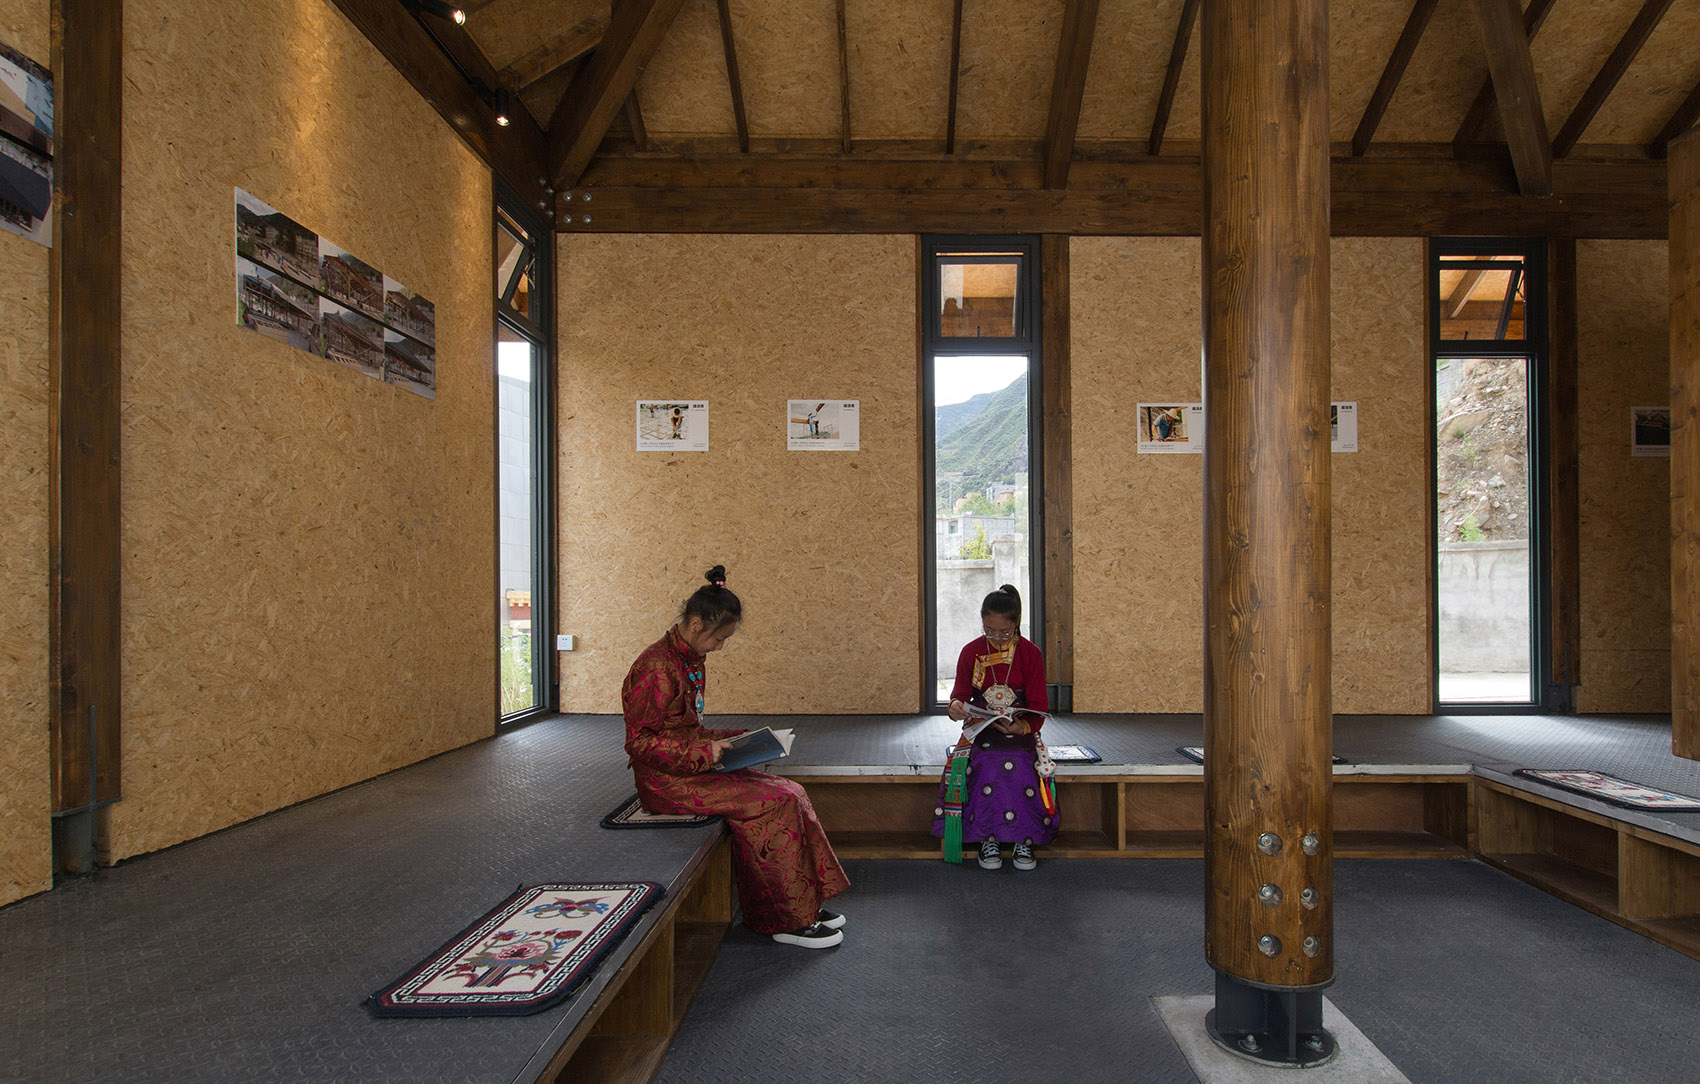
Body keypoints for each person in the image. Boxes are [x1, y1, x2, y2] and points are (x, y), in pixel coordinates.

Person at [621, 565, 850, 947]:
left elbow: (686, 727)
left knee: (790, 790)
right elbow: (640, 743)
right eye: (718, 638)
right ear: (695, 624)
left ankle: (803, 903)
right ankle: (785, 919)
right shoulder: (656, 668)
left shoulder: (689, 660)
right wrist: (702, 751)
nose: (719, 647)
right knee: (774, 802)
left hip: (691, 768)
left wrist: (736, 739)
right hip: (666, 783)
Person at [932, 584, 1056, 870]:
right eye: (989, 630)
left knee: (1022, 760)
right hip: (980, 728)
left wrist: (1021, 728)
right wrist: (955, 708)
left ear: (1016, 625)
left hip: (1019, 729)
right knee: (986, 759)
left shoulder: (1030, 653)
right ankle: (989, 837)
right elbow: (959, 696)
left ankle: (1024, 839)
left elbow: (1039, 707)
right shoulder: (971, 651)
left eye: (1004, 632)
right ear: (982, 622)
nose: (996, 637)